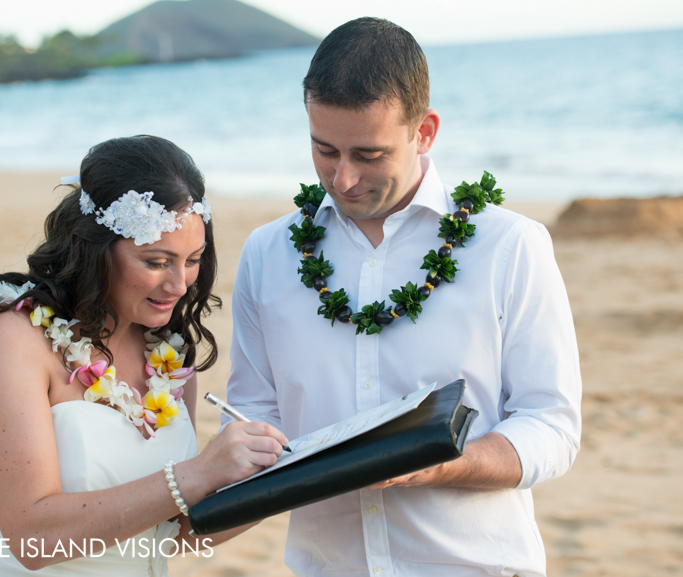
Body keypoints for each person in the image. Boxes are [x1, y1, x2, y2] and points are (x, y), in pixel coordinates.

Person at [223, 17, 582, 577]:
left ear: (425, 132)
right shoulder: (267, 254)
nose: (343, 179)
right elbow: (252, 416)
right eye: (324, 149)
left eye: (369, 155)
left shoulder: (511, 246)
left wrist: (443, 465)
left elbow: (551, 425)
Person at [0, 135, 288, 577]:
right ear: (96, 249)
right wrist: (196, 474)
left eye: (193, 259)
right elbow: (33, 538)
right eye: (156, 261)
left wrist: (282, 481)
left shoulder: (168, 352)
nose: (179, 285)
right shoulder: (10, 341)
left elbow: (168, 533)